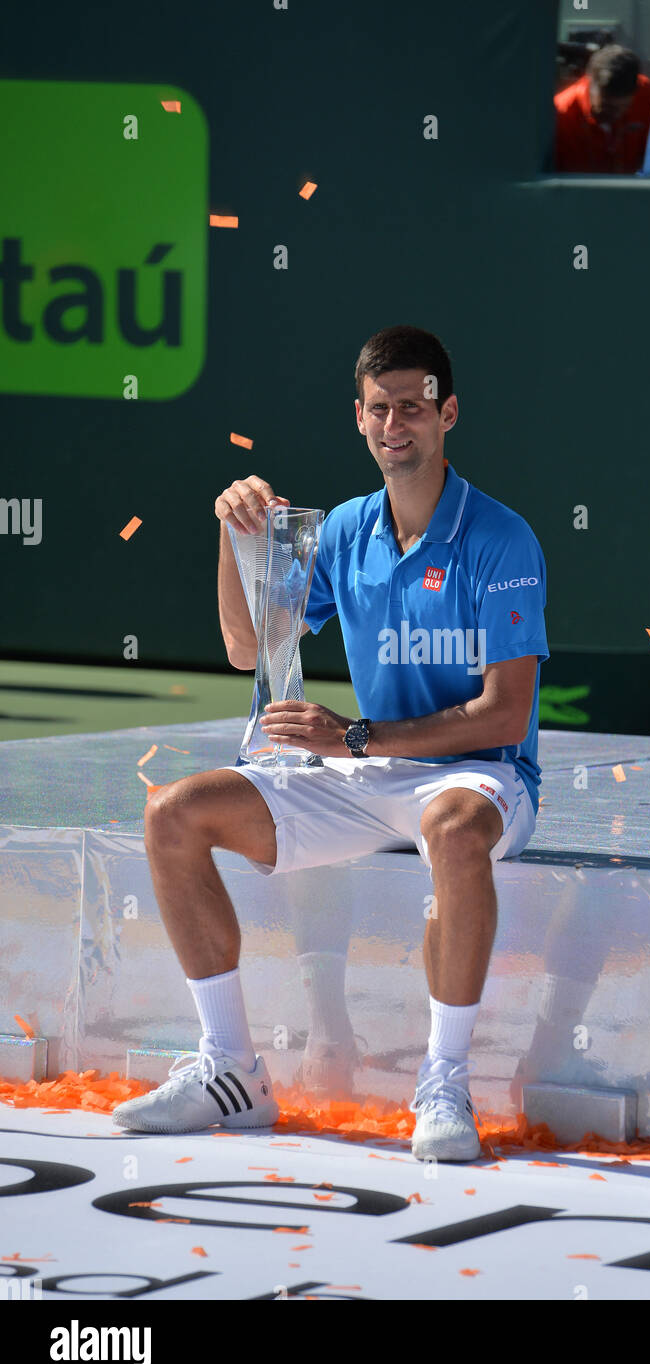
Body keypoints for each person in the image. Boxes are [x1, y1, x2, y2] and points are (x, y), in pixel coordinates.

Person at [112, 324, 550, 1163]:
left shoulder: (502, 539)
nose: (397, 425)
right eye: (380, 409)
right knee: (175, 815)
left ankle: (443, 1080)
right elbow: (249, 648)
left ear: (447, 413)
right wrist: (236, 538)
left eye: (414, 408)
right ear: (359, 418)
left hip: (481, 776)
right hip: (371, 766)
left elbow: (503, 716)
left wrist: (352, 736)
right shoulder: (346, 530)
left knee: (455, 831)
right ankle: (229, 1070)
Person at [554, 45, 650, 174]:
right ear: (589, 83)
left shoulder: (644, 92)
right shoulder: (562, 114)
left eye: (625, 106)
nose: (618, 115)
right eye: (608, 107)